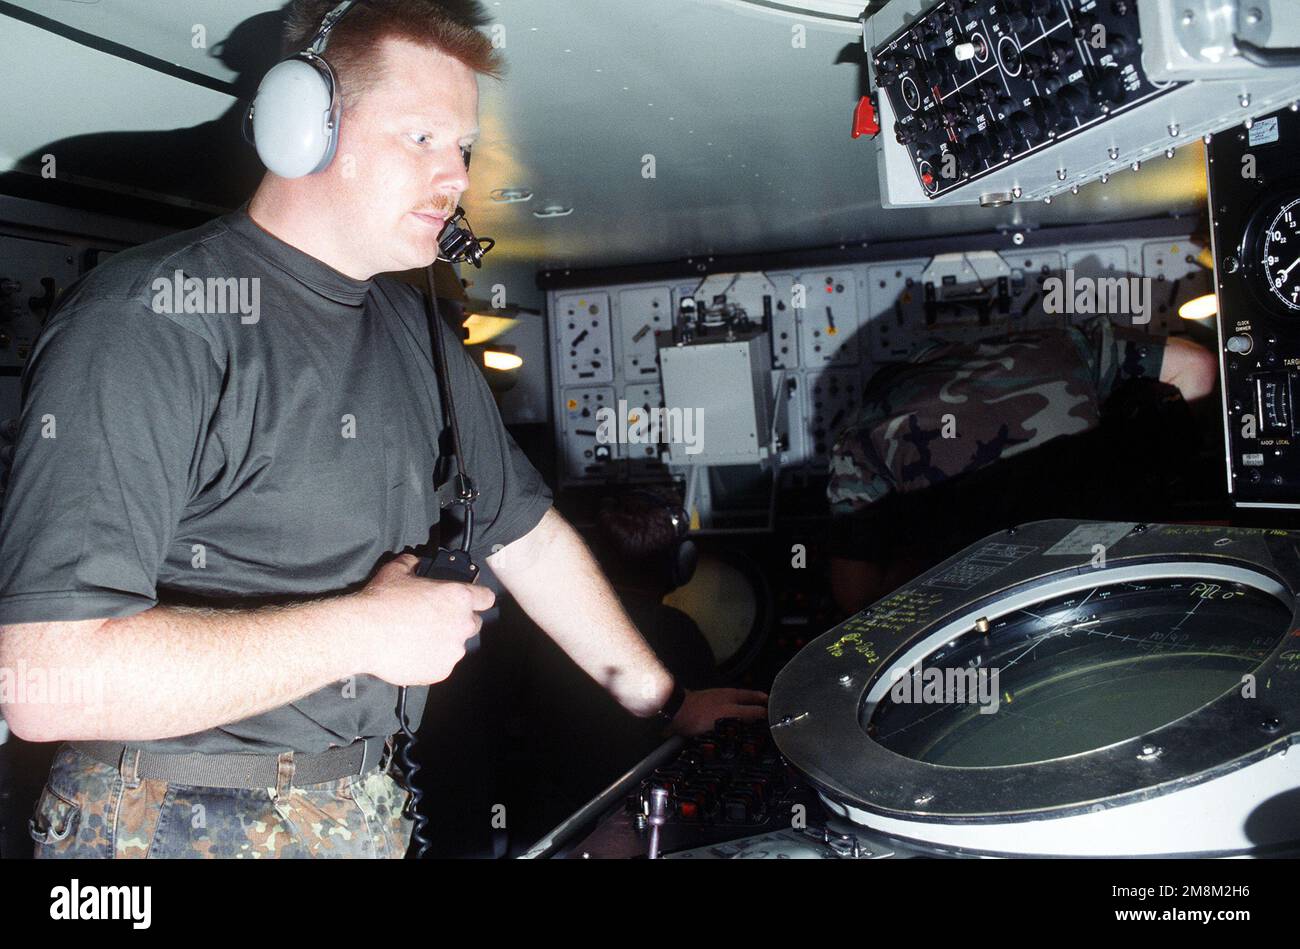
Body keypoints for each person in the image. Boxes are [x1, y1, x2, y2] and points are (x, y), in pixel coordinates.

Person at [0, 0, 765, 859]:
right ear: (305, 128)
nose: (458, 180)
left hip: (352, 803)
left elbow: (532, 541)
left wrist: (664, 701)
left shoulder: (417, 334)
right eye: (423, 139)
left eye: (464, 148)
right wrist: (365, 629)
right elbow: (50, 678)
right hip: (163, 819)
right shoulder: (150, 320)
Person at [826, 316, 1218, 614]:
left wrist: (926, 557)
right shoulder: (1066, 346)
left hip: (991, 614)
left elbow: (856, 595)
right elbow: (1197, 367)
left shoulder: (864, 433)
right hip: (1117, 579)